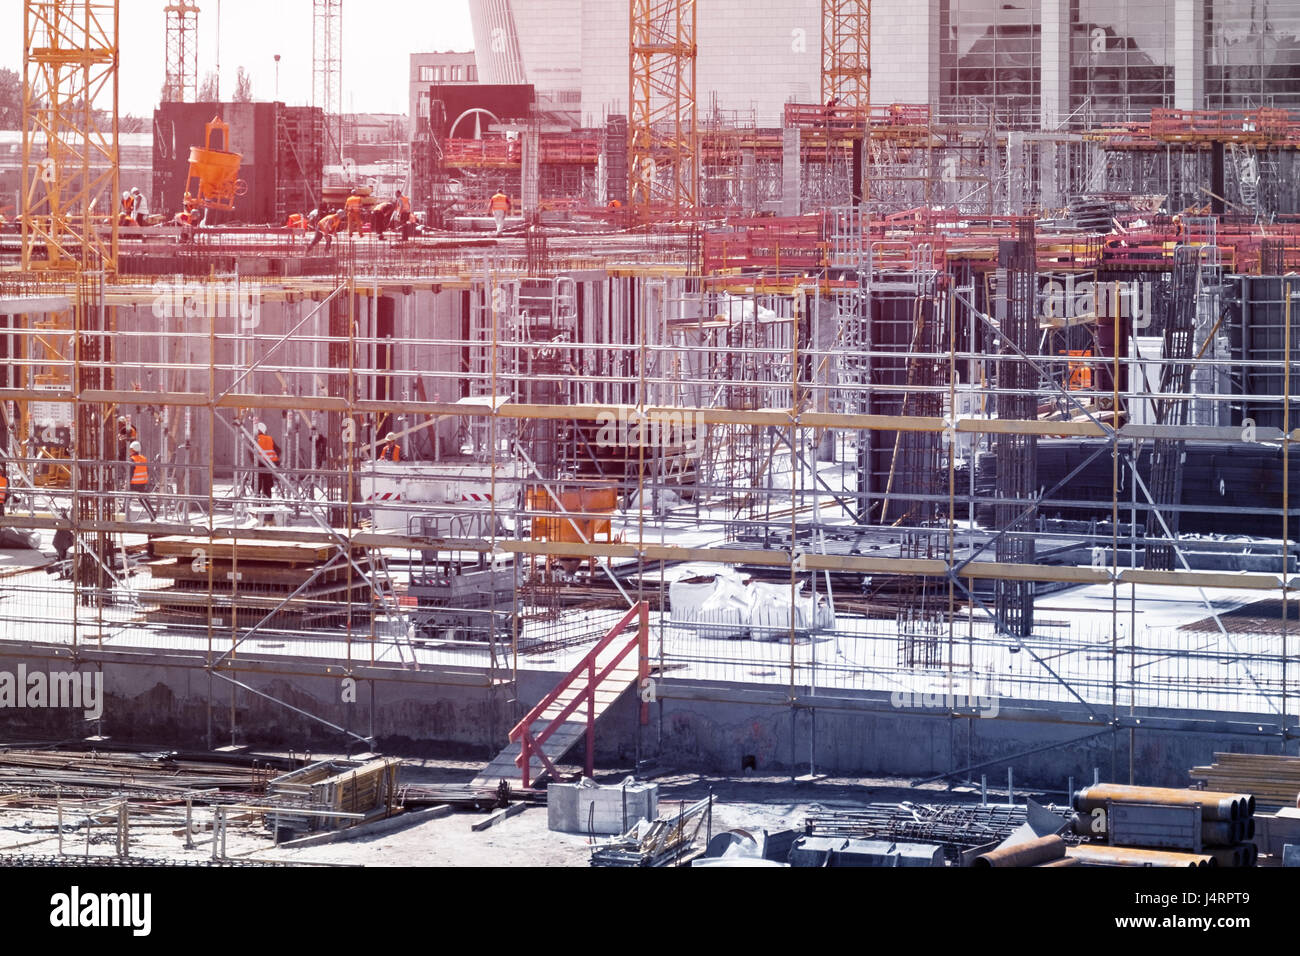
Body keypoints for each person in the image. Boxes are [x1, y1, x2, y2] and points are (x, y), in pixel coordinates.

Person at [126, 440, 156, 521]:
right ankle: (152, 512)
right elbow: (147, 470)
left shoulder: (132, 460)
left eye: (130, 449)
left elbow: (130, 474)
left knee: (126, 495)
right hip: (142, 483)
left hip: (134, 484)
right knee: (143, 499)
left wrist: (127, 483)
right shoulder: (143, 459)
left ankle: (125, 513)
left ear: (132, 450)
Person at [253, 421, 280, 499]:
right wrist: (274, 461)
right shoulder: (269, 439)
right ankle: (267, 503)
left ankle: (257, 503)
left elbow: (251, 452)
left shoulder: (254, 439)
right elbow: (278, 451)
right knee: (267, 486)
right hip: (268, 465)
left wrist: (254, 462)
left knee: (256, 486)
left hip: (258, 465)